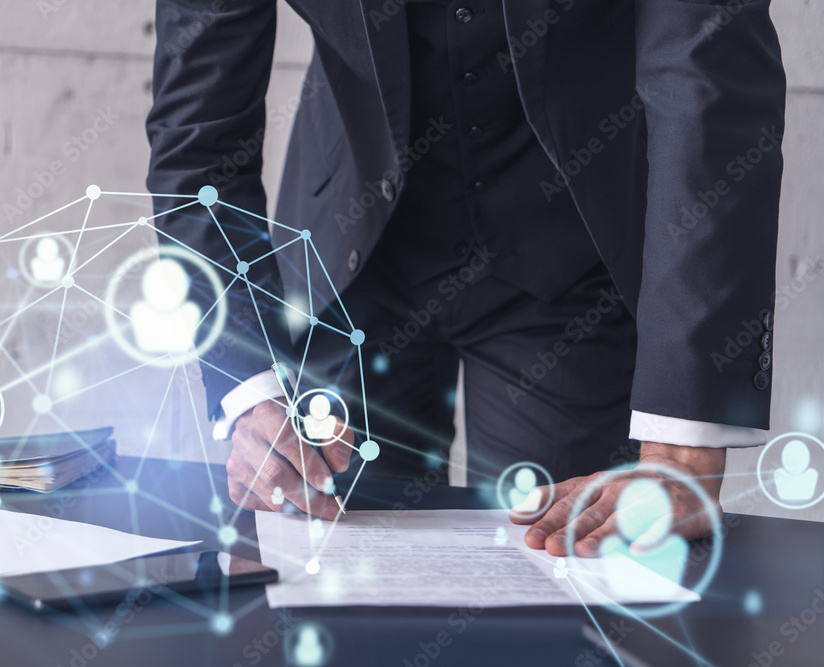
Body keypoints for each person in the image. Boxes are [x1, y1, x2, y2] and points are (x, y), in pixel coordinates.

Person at [146, 0, 785, 555]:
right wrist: (247, 388)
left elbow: (708, 86)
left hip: (567, 263)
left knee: (563, 576)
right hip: (348, 255)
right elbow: (199, 138)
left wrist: (681, 452)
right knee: (329, 576)